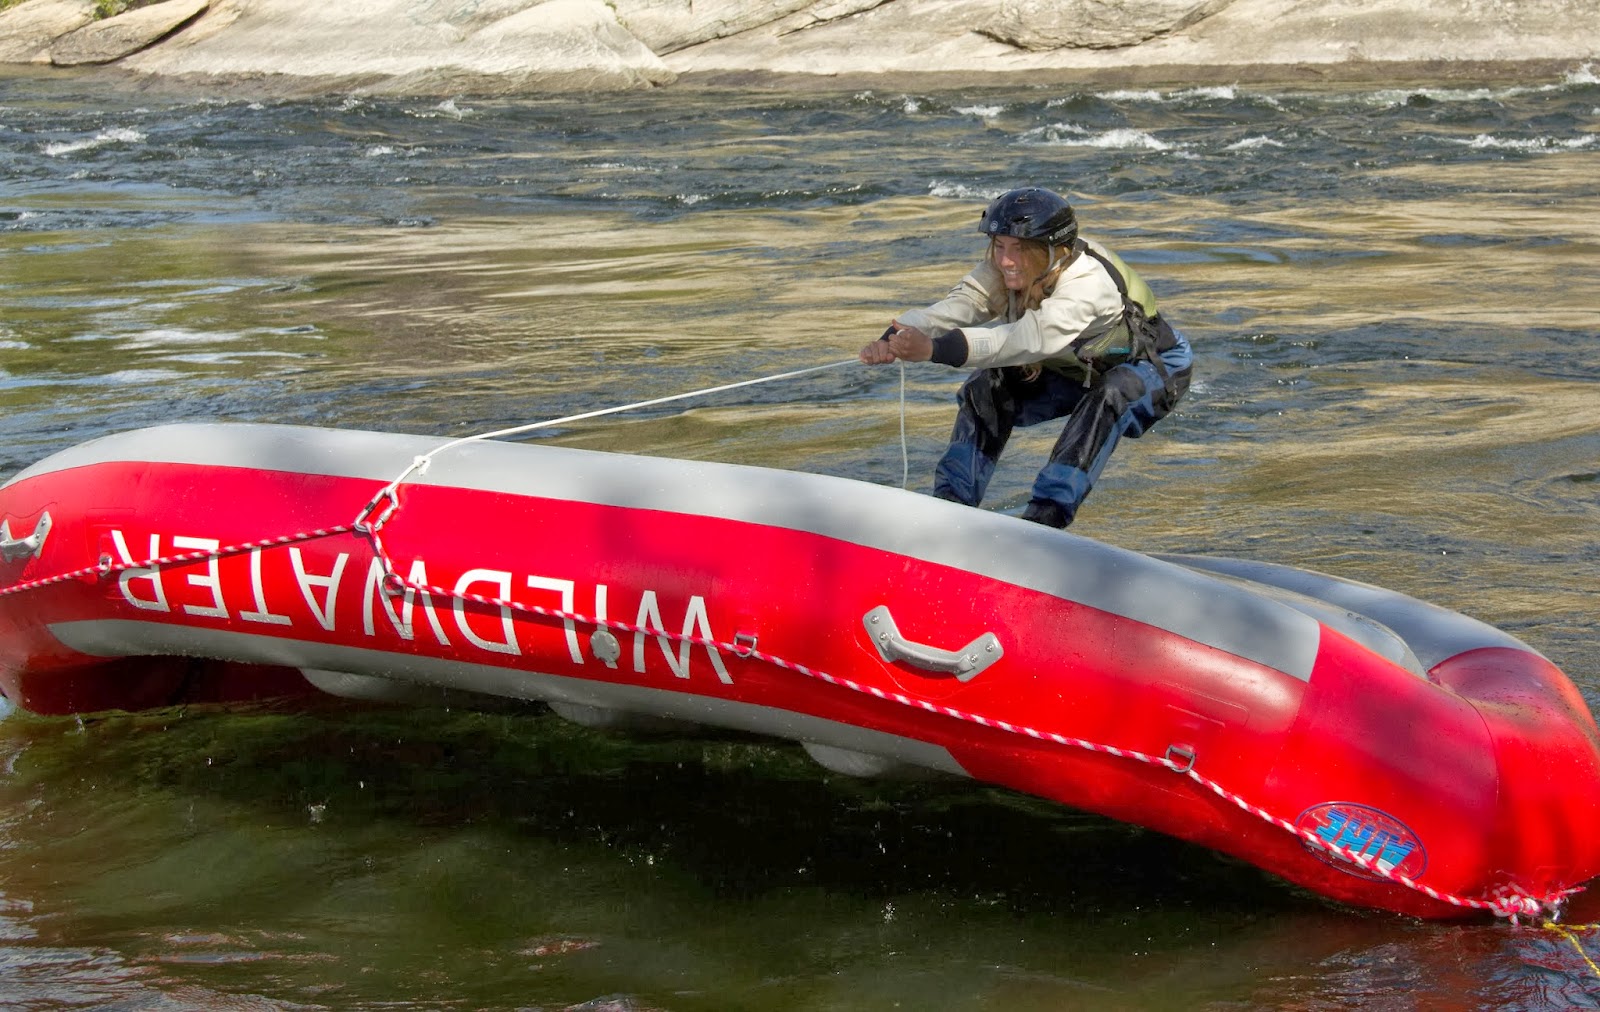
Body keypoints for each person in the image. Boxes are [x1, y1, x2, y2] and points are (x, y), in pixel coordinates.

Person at [860, 186, 1193, 528]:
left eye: (1019, 249)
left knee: (1110, 393)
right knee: (986, 385)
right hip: (1075, 368)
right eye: (999, 246)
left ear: (1052, 250)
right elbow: (951, 310)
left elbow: (1029, 338)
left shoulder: (1088, 284)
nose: (1005, 260)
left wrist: (933, 350)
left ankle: (1045, 519)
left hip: (1154, 367)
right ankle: (951, 507)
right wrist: (895, 335)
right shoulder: (1003, 269)